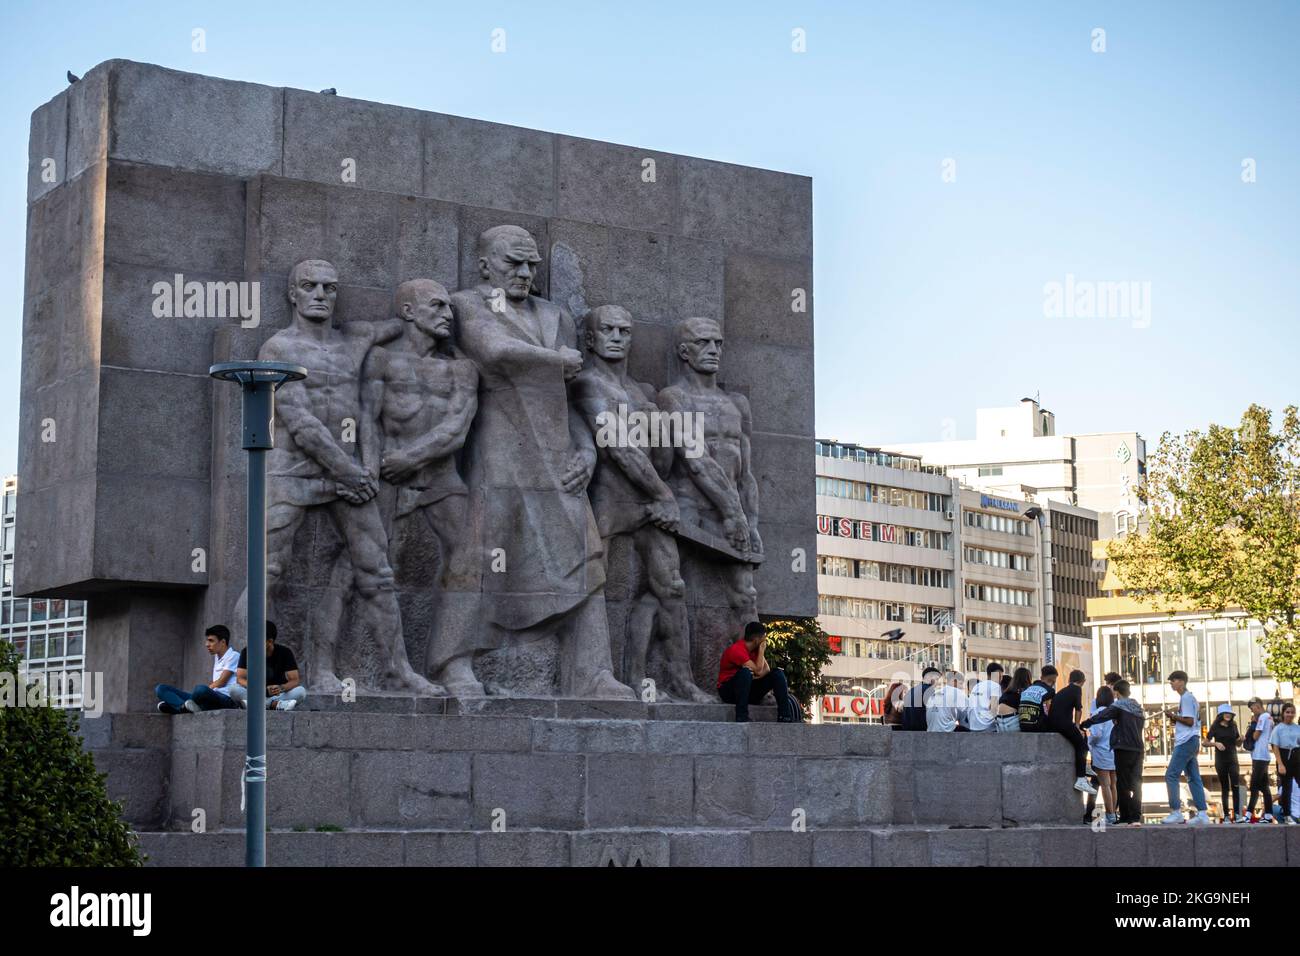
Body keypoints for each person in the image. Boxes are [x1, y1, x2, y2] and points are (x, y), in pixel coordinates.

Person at [1082, 679, 1147, 825]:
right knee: (1137, 783)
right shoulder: (1138, 707)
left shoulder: (1119, 706)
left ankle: (1125, 816)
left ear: (1117, 692)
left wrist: (1086, 723)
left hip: (1123, 747)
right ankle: (1136, 815)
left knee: (1122, 783)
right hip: (1138, 748)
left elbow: (1103, 715)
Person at [716, 621, 794, 723]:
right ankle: (742, 716)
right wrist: (761, 651)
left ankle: (785, 716)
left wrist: (754, 675)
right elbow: (757, 670)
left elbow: (766, 670)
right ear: (757, 640)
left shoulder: (755, 650)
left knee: (777, 673)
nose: (765, 641)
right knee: (746, 673)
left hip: (747, 691)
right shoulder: (737, 650)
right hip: (728, 692)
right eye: (764, 638)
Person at [1160, 670, 1210, 825]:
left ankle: (1176, 812)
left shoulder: (1186, 698)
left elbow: (1189, 721)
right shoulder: (1191, 698)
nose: (1171, 684)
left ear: (1181, 681)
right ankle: (1202, 813)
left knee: (1171, 775)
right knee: (1193, 777)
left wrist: (1173, 716)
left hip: (1186, 741)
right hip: (1192, 740)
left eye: (1173, 680)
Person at [155, 626, 241, 714]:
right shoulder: (217, 657)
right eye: (207, 640)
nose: (207, 644)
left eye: (211, 641)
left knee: (201, 690)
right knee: (161, 689)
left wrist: (202, 693)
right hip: (210, 699)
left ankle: (181, 706)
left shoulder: (234, 655)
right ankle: (184, 707)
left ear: (223, 642)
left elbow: (221, 682)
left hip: (226, 699)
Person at [230, 621, 306, 711]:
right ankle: (274, 705)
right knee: (234, 689)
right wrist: (261, 689)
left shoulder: (285, 652)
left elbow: (294, 680)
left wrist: (281, 688)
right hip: (255, 693)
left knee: (301, 692)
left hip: (277, 694)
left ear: (270, 641)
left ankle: (257, 704)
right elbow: (240, 679)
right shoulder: (247, 651)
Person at [1047, 669, 1097, 795]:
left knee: (1083, 736)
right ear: (1083, 681)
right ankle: (1080, 779)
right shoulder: (1076, 689)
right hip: (1063, 722)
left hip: (1053, 723)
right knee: (1082, 746)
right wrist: (1077, 726)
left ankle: (1084, 766)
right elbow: (1078, 709)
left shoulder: (1064, 690)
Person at [1203, 705, 1245, 823]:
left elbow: (1237, 744)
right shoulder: (1215, 727)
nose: (1228, 715)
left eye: (1230, 713)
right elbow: (1204, 743)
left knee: (1236, 786)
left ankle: (1237, 815)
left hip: (1233, 759)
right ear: (1221, 714)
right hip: (1220, 760)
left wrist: (1241, 739)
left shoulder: (1234, 725)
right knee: (1225, 788)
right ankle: (1226, 815)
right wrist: (1215, 744)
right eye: (1226, 713)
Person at [1086, 685, 1118, 823]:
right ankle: (1114, 814)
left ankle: (1110, 815)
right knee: (1113, 785)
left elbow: (1096, 734)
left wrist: (1089, 741)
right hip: (1113, 751)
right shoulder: (1114, 712)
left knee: (1105, 785)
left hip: (1101, 751)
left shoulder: (1099, 712)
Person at [1244, 697, 1276, 823]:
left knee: (1254, 785)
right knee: (1264, 787)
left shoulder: (1263, 717)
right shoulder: (1270, 718)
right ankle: (1268, 815)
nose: (1253, 712)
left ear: (1257, 705)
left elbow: (1256, 736)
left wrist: (1253, 725)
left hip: (1259, 756)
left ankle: (1248, 814)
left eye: (1252, 709)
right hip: (1263, 755)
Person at [1269, 702, 1300, 824]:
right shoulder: (1278, 728)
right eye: (1288, 712)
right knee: (1286, 788)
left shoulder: (1297, 728)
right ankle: (1287, 815)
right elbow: (1275, 746)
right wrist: (1280, 764)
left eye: (1292, 712)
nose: (1290, 714)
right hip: (1284, 756)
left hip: (1296, 756)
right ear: (1283, 713)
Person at [1017, 665, 1057, 733]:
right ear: (1054, 680)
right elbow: (1049, 711)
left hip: (1022, 726)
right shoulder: (1050, 691)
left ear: (1041, 677)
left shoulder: (1028, 688)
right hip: (1037, 728)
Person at [967, 663, 1003, 733]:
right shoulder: (995, 686)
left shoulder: (976, 686)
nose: (1001, 679)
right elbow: (994, 709)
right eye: (999, 676)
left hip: (973, 726)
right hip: (987, 727)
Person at [901, 667, 939, 732]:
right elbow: (933, 712)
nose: (937, 682)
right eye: (937, 679)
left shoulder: (911, 691)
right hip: (922, 732)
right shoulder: (929, 690)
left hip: (907, 732)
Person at [995, 667, 1032, 733]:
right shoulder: (1023, 693)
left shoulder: (1007, 692)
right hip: (1012, 721)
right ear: (1027, 678)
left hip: (999, 722)